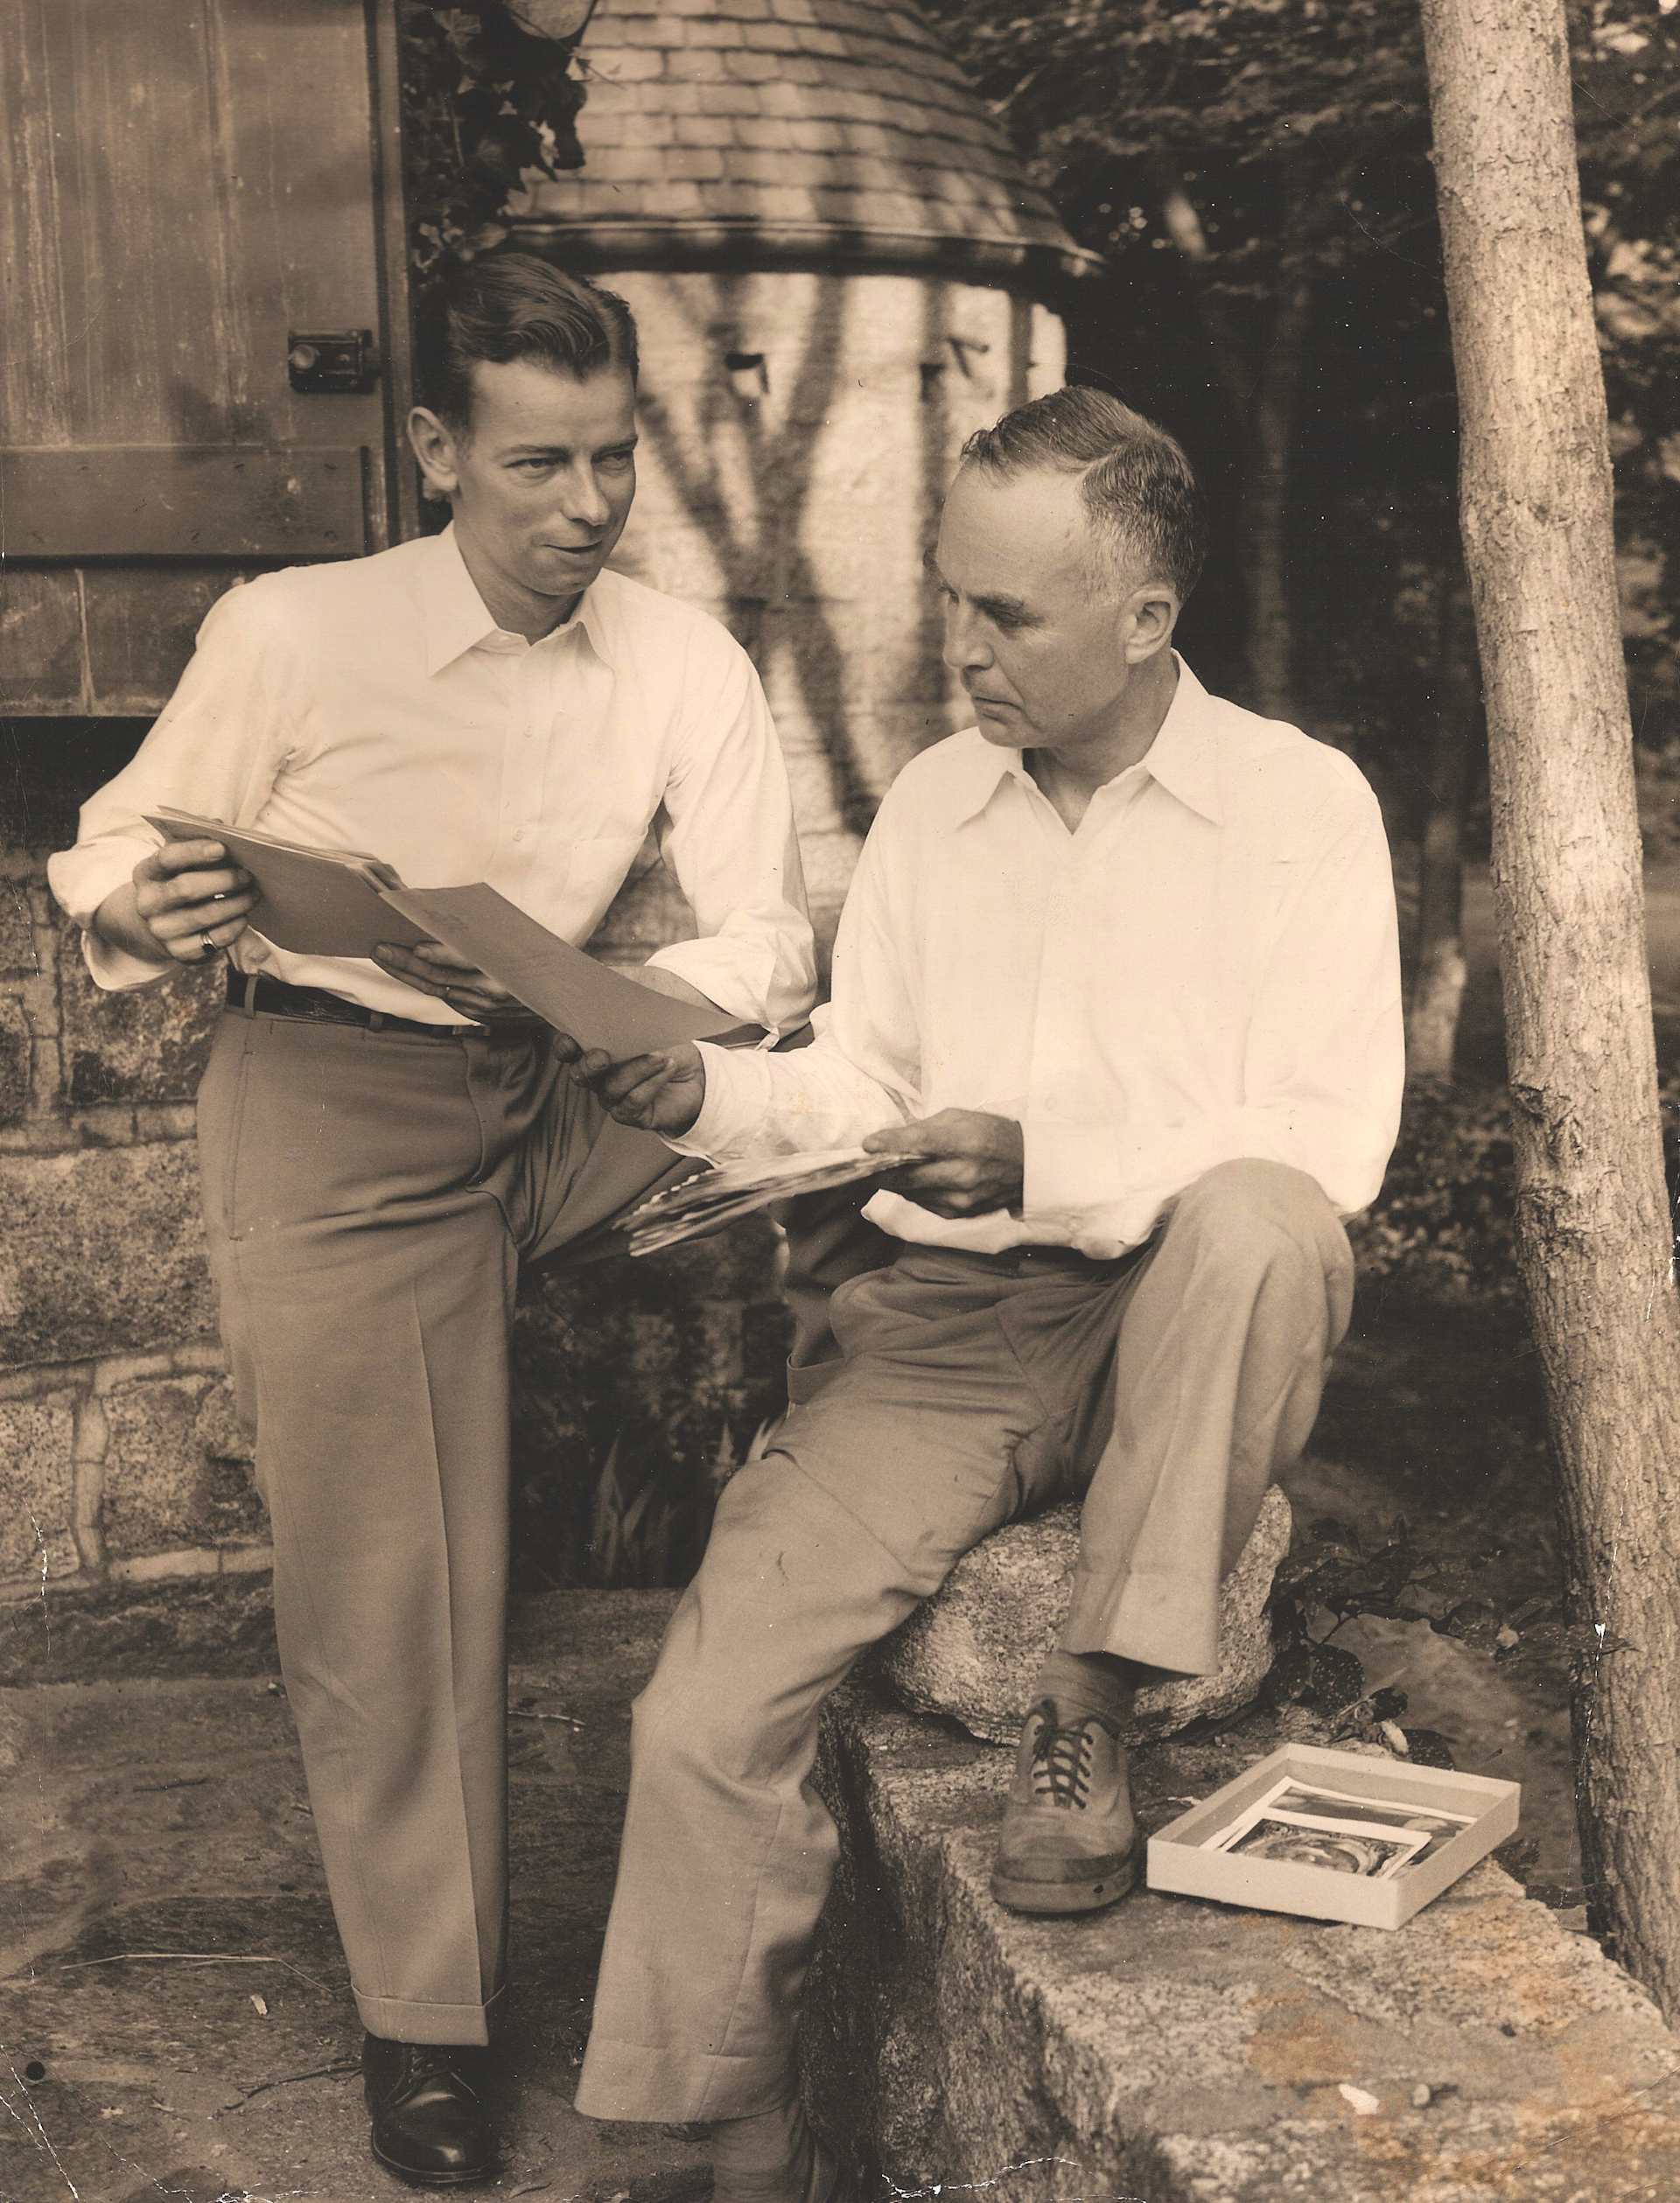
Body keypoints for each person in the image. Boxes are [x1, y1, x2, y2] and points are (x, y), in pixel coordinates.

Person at [562, 387, 1405, 2203]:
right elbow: (868, 1078)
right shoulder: (938, 805)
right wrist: (704, 1091)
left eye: (1007, 612)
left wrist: (1042, 1155)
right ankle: (720, 2123)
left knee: (1262, 1217)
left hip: (1186, 1312)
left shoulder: (1299, 805)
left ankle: (1086, 1707)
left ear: (1147, 615)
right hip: (948, 1332)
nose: (961, 646)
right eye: (953, 596)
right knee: (702, 1705)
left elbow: (1326, 1137)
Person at [47, 253, 816, 2190]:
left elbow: (775, 941)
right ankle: (431, 2022)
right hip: (342, 1107)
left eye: (614, 459)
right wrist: (152, 904)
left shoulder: (682, 661)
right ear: (434, 450)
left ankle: (951, 1434)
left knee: (865, 1119)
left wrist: (630, 1011)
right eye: (540, 463)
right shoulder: (296, 630)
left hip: (565, 1083)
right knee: (397, 1575)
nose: (589, 505)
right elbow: (116, 846)